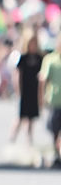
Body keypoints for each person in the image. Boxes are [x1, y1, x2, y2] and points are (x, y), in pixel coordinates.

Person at [9, 30, 43, 145]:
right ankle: (12, 139)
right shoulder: (22, 58)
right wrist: (18, 90)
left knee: (31, 118)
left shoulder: (39, 58)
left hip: (34, 90)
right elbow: (17, 74)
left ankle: (29, 141)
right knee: (21, 116)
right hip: (25, 90)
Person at [39, 32, 61, 167]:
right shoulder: (50, 59)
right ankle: (55, 153)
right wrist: (41, 98)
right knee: (54, 129)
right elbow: (43, 79)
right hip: (54, 100)